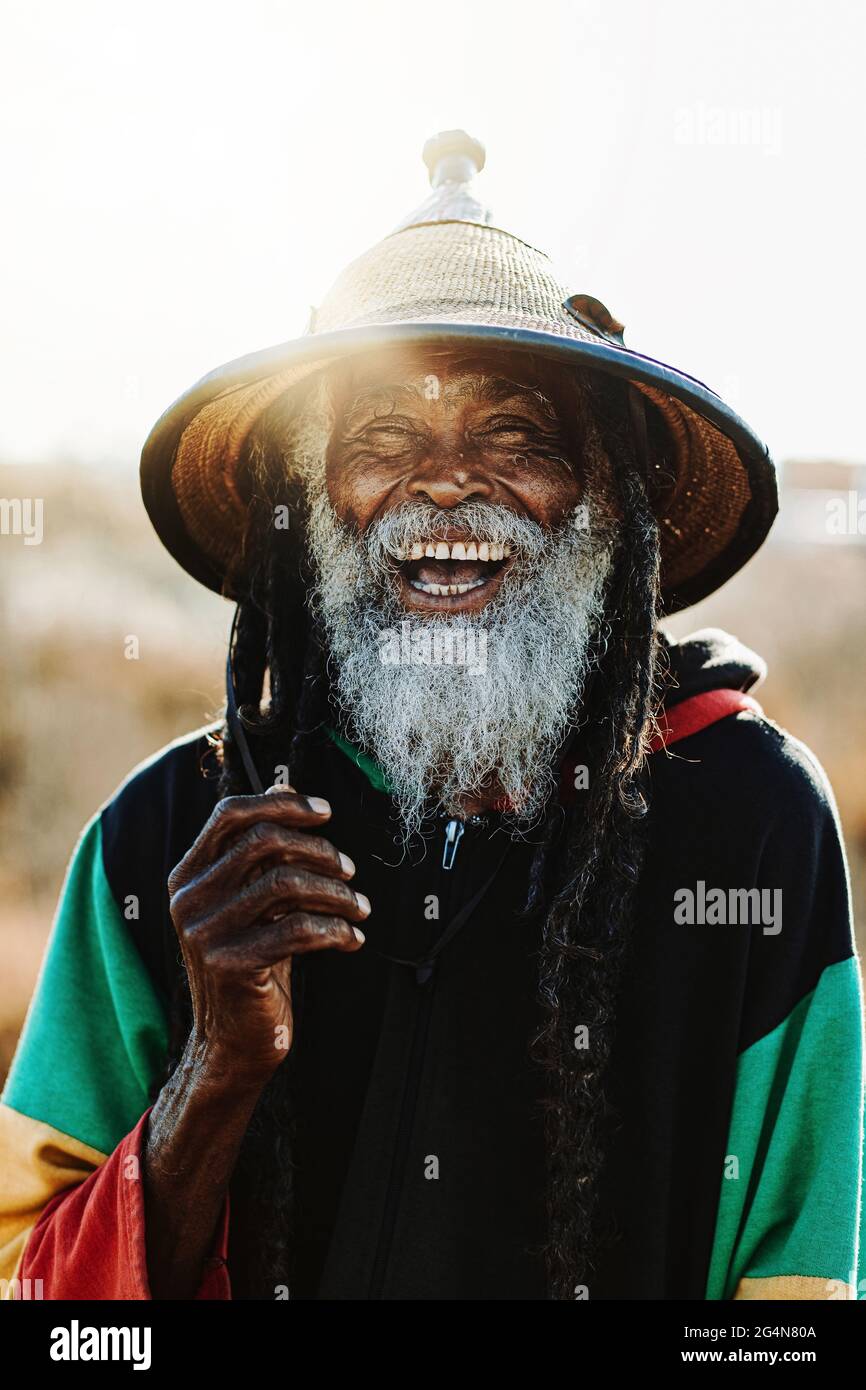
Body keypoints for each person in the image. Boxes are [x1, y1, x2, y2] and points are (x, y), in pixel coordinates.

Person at [2, 131, 862, 1302]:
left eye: (515, 437)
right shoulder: (168, 842)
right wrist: (210, 1075)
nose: (447, 484)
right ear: (309, 505)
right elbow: (43, 1307)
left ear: (604, 502)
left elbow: (799, 1291)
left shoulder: (748, 817)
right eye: (382, 440)